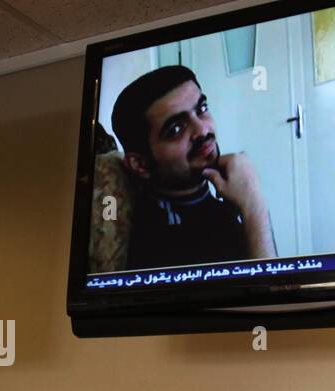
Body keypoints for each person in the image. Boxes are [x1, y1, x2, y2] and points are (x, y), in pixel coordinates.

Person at [110, 65, 277, 269]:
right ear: (140, 164)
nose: (202, 129)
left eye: (202, 109)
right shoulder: (160, 239)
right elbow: (271, 296)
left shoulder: (219, 201)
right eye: (176, 128)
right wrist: (254, 205)